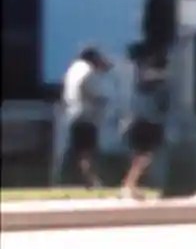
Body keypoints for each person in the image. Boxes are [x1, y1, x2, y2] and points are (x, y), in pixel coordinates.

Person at [120, 50, 170, 200]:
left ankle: (130, 185)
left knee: (141, 157)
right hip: (149, 122)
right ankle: (130, 185)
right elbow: (163, 106)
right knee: (145, 157)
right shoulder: (161, 83)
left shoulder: (139, 80)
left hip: (136, 120)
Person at [61, 47, 113, 189]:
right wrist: (103, 99)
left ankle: (77, 179)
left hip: (73, 114)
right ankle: (91, 180)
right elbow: (93, 92)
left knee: (78, 150)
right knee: (87, 151)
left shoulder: (73, 70)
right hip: (86, 115)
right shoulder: (88, 71)